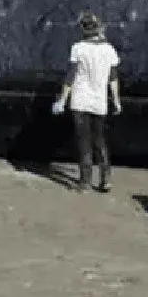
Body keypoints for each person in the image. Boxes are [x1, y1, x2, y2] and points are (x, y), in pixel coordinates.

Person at [52, 11, 121, 193]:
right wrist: (116, 101)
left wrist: (62, 99)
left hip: (80, 100)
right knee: (100, 141)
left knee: (84, 141)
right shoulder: (109, 50)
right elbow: (113, 79)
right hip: (99, 101)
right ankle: (106, 179)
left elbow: (71, 76)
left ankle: (85, 182)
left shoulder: (78, 48)